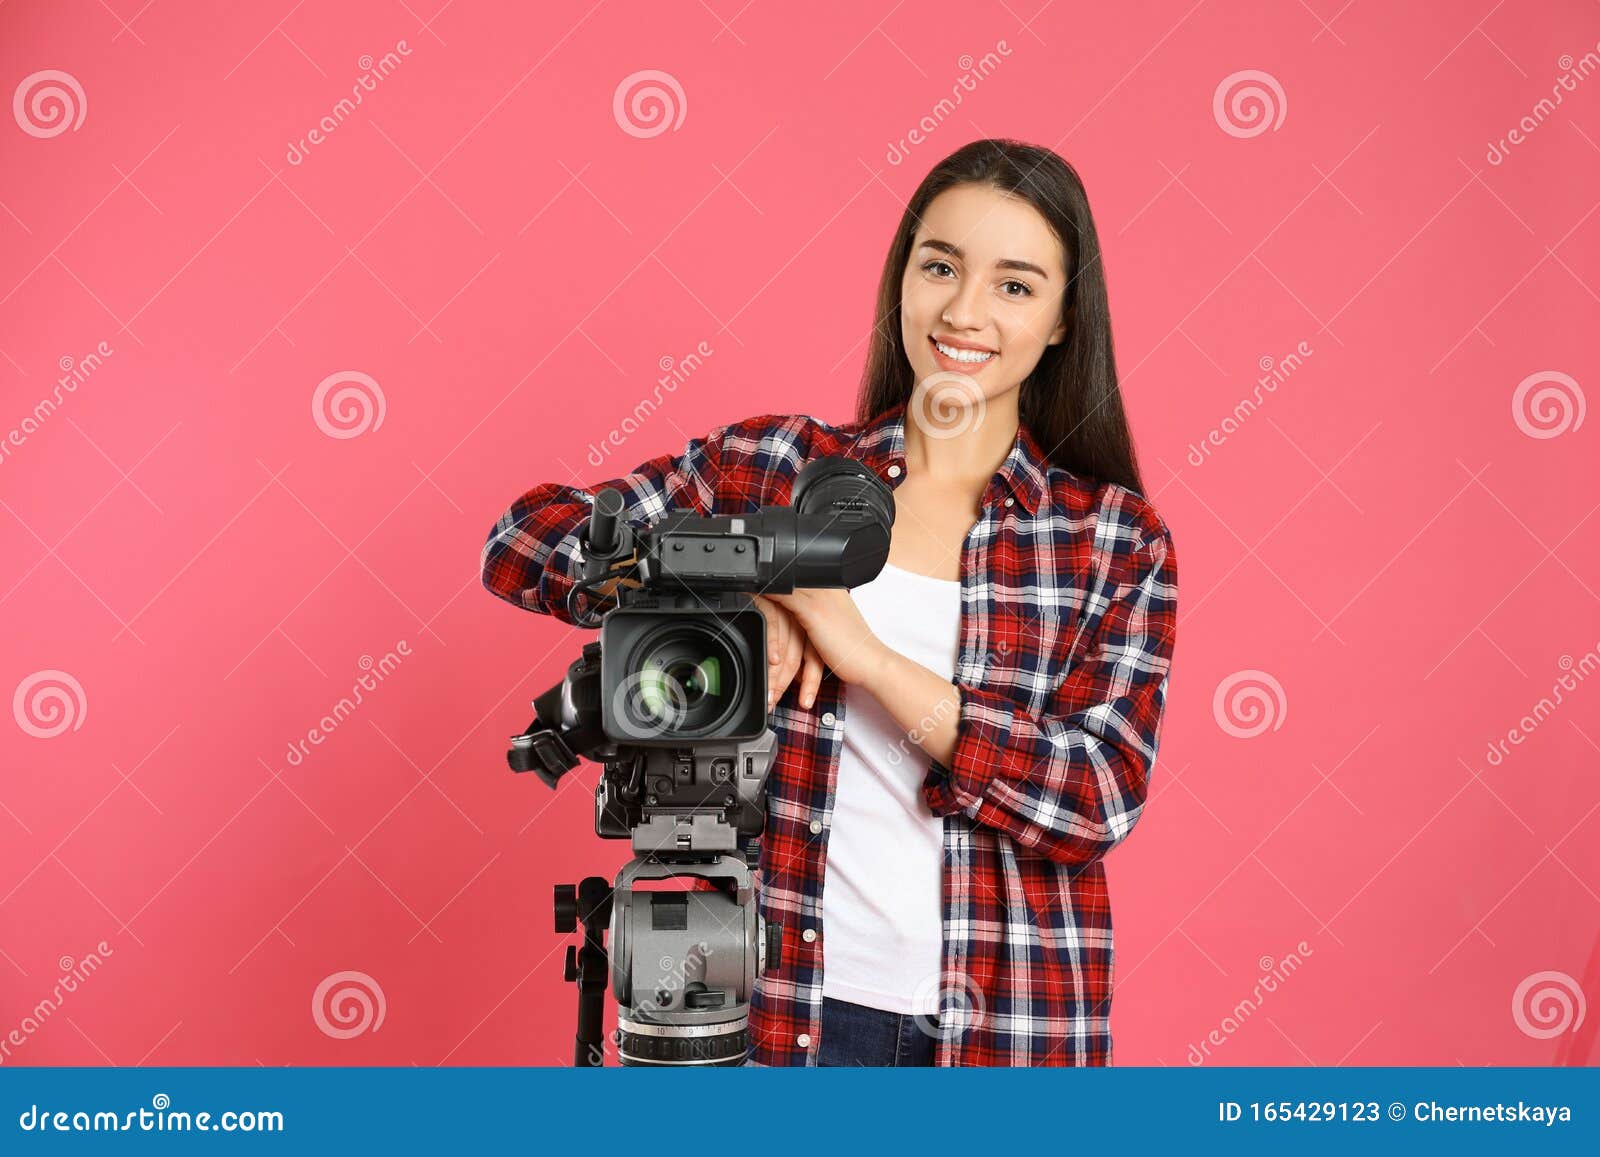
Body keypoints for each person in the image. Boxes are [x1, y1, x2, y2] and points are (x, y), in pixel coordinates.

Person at [481, 138, 1179, 1067]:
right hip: (772, 1012)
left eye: (1014, 285)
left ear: (1062, 320)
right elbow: (526, 538)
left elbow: (1096, 796)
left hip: (1005, 1029)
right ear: (902, 279)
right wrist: (741, 591)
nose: (964, 311)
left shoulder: (1112, 539)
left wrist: (869, 660)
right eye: (940, 267)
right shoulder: (773, 466)